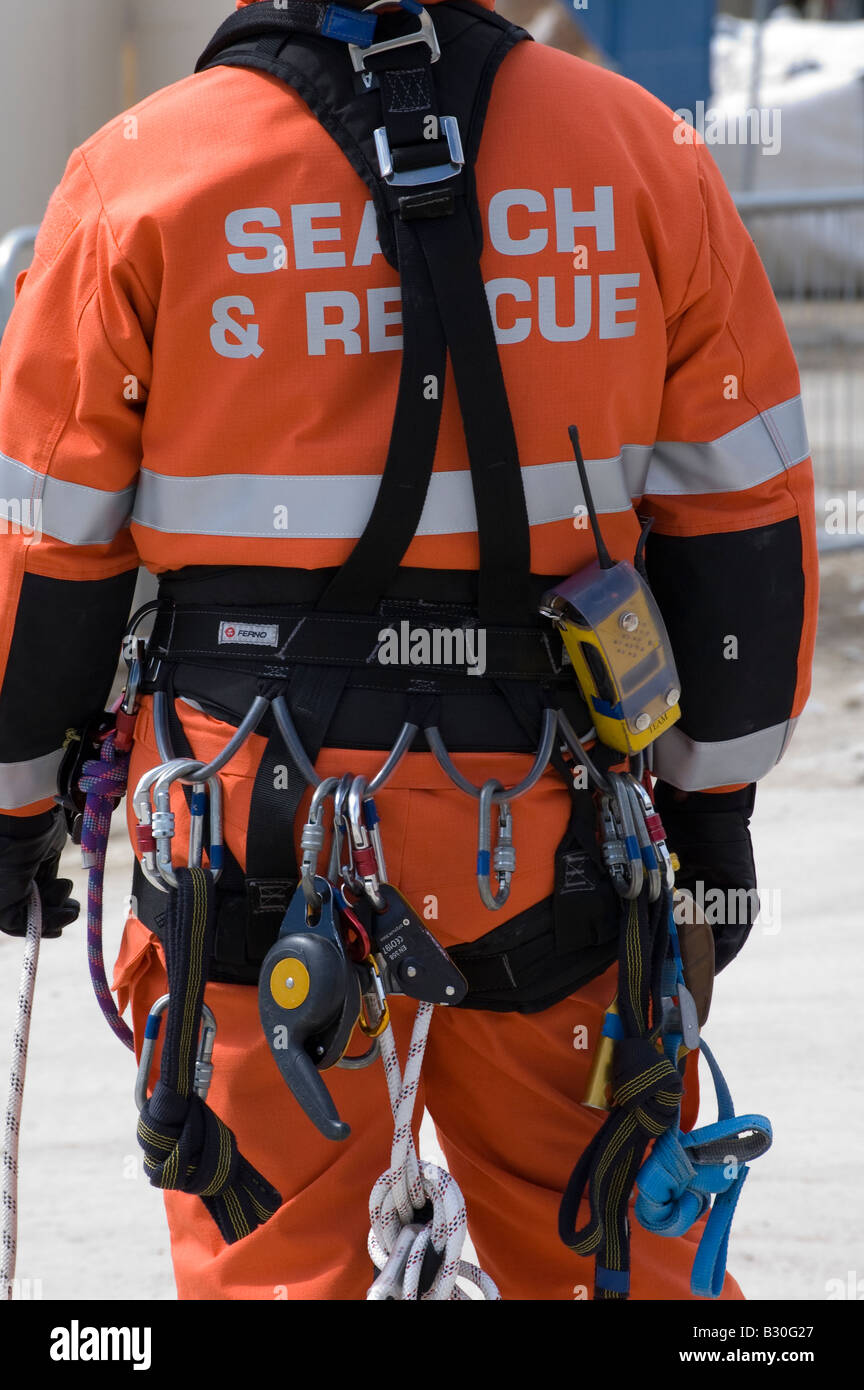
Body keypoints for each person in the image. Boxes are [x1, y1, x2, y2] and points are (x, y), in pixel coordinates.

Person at [0, 0, 817, 1301]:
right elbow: (745, 526)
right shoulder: (643, 154)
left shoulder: (141, 172)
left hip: (248, 841)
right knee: (620, 1261)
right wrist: (715, 813)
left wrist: (21, 804)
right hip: (553, 835)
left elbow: (47, 544)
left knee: (272, 1270)